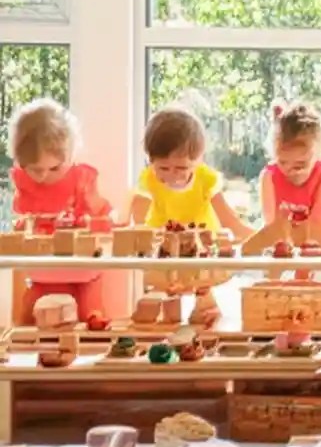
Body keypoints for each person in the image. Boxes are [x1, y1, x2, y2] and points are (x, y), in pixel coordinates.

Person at [7, 99, 116, 322]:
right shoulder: (24, 182)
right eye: (35, 169)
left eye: (54, 168)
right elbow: (23, 218)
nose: (44, 175)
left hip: (81, 266)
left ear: (71, 154)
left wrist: (89, 222)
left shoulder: (82, 179)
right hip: (43, 268)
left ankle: (94, 332)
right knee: (30, 313)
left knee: (90, 311)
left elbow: (104, 218)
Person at [127, 106, 254, 239]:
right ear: (151, 161)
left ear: (197, 161)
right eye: (163, 168)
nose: (172, 174)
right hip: (162, 252)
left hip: (203, 249)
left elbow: (231, 223)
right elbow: (140, 226)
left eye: (181, 168)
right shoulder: (149, 180)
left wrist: (263, 240)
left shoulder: (205, 180)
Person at [258, 101, 321, 242]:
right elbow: (271, 228)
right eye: (282, 162)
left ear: (317, 153)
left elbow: (317, 226)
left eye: (300, 165)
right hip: (279, 252)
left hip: (311, 250)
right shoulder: (270, 177)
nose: (290, 171)